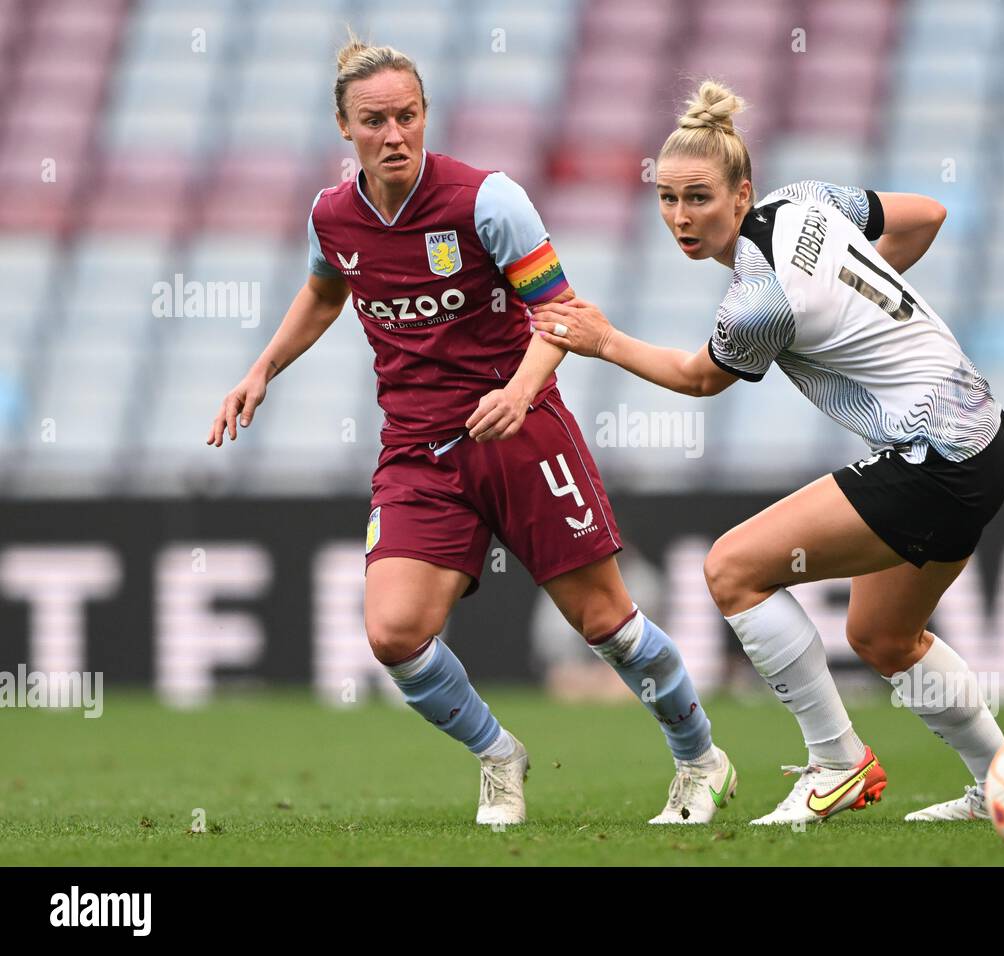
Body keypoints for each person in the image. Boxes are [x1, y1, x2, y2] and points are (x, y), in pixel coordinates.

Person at [207, 40, 737, 826]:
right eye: (375, 120)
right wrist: (262, 370)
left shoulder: (487, 200)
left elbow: (559, 314)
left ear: (425, 116)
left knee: (605, 624)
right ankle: (498, 756)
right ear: (344, 128)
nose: (395, 134)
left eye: (408, 116)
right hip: (419, 451)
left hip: (522, 435)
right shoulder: (332, 215)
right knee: (393, 634)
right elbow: (325, 292)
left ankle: (699, 757)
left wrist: (521, 392)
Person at [533, 80, 1004, 826]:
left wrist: (604, 342)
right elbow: (928, 215)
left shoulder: (759, 299)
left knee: (732, 569)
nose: (680, 218)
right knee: (884, 639)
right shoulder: (806, 201)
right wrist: (863, 294)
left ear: (740, 193)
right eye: (666, 199)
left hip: (936, 457)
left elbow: (699, 379)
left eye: (698, 198)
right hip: (986, 437)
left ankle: (837, 763)